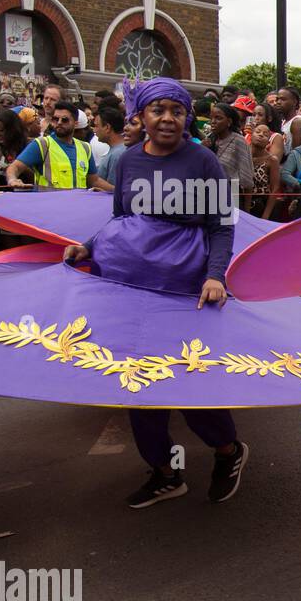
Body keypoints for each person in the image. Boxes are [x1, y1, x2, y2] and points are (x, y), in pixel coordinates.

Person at [60, 77, 249, 508]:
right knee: (138, 382)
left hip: (183, 288)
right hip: (127, 286)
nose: (167, 118)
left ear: (187, 117)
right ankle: (165, 472)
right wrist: (87, 245)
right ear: (140, 116)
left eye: (176, 111)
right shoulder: (127, 161)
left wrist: (215, 275)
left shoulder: (203, 162)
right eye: (158, 110)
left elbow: (221, 225)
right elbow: (121, 219)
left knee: (186, 379)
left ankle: (227, 449)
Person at [7, 101, 110, 190]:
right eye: (55, 119)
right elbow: (15, 167)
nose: (59, 123)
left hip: (77, 208)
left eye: (64, 120)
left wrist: (117, 190)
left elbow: (94, 180)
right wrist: (12, 179)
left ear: (75, 123)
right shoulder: (42, 145)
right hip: (49, 208)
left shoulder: (85, 148)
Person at [248, 122, 282, 221]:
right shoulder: (243, 154)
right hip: (239, 203)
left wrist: (265, 216)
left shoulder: (271, 160)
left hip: (259, 205)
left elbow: (275, 188)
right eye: (257, 132)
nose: (261, 135)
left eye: (265, 134)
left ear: (268, 142)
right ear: (251, 135)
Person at [93, 104, 128, 186]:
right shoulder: (117, 151)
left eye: (96, 126)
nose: (94, 130)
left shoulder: (118, 154)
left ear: (107, 127)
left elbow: (114, 190)